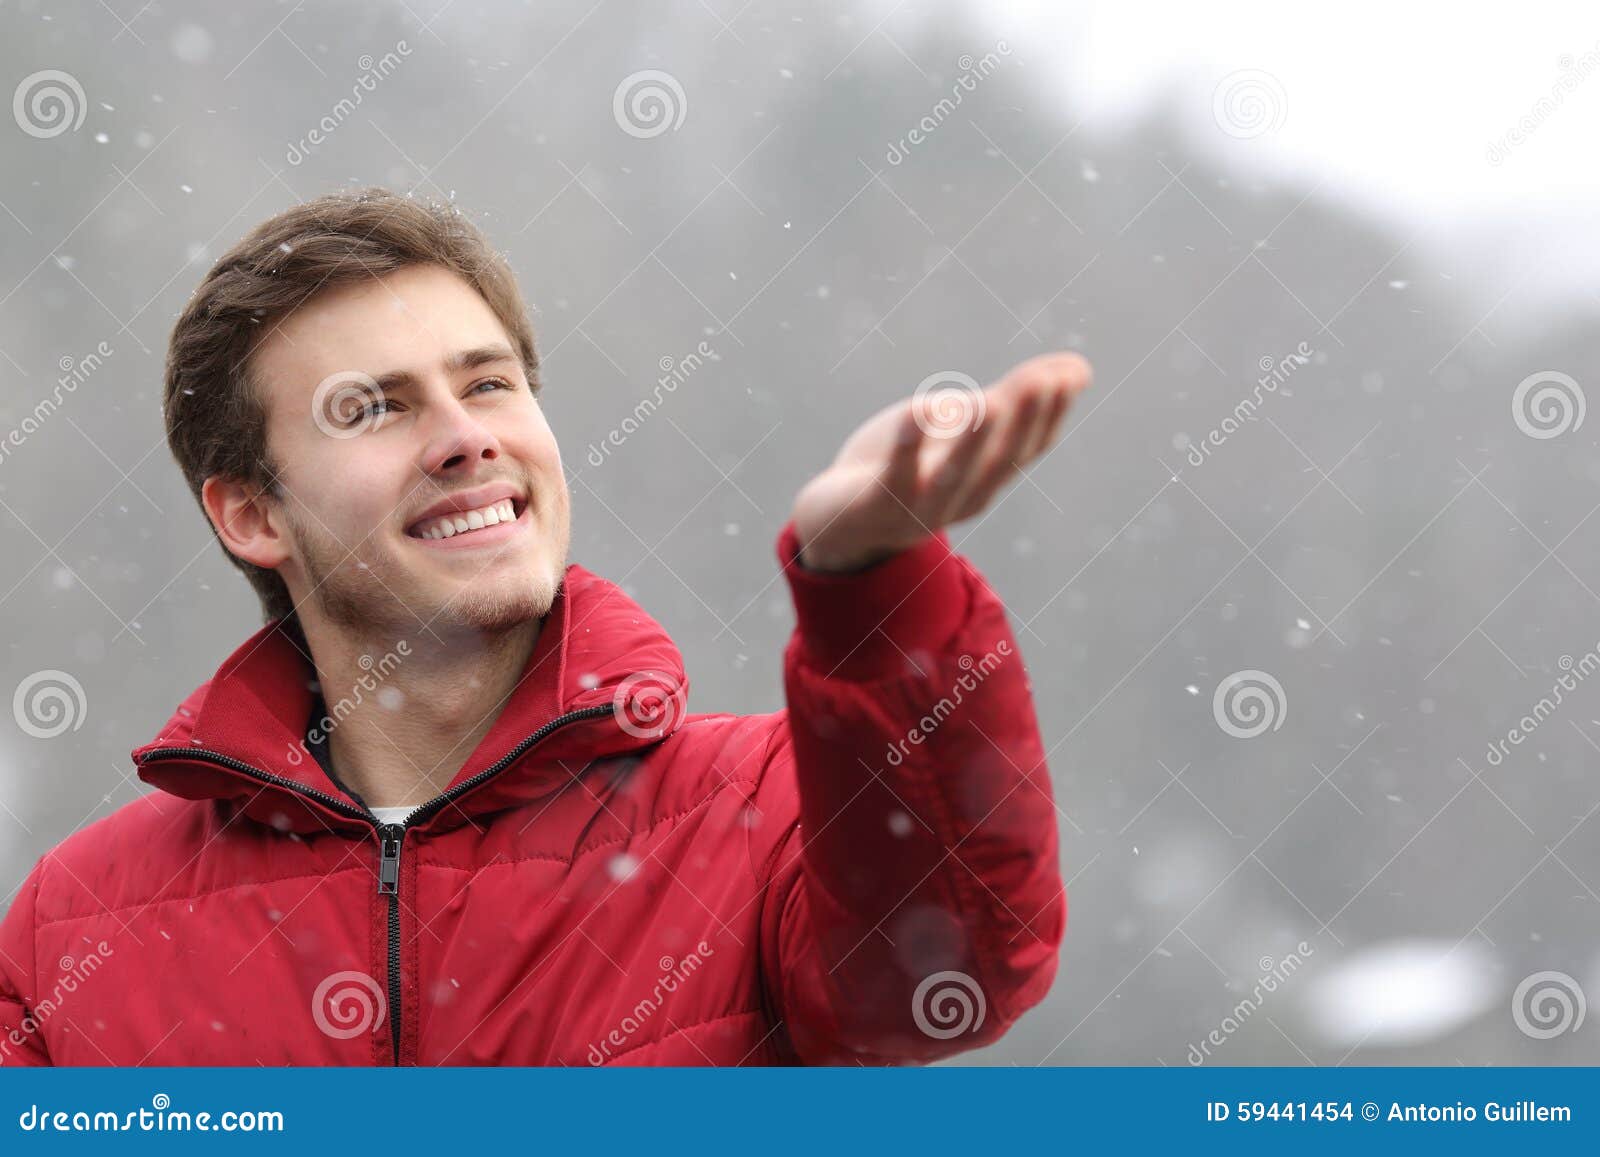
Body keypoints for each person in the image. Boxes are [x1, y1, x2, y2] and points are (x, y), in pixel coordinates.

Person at [0, 189, 1087, 1066]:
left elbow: (949, 980)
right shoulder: (69, 925)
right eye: (374, 407)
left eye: (489, 383)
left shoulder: (757, 811)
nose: (467, 436)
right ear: (252, 512)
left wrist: (869, 585)